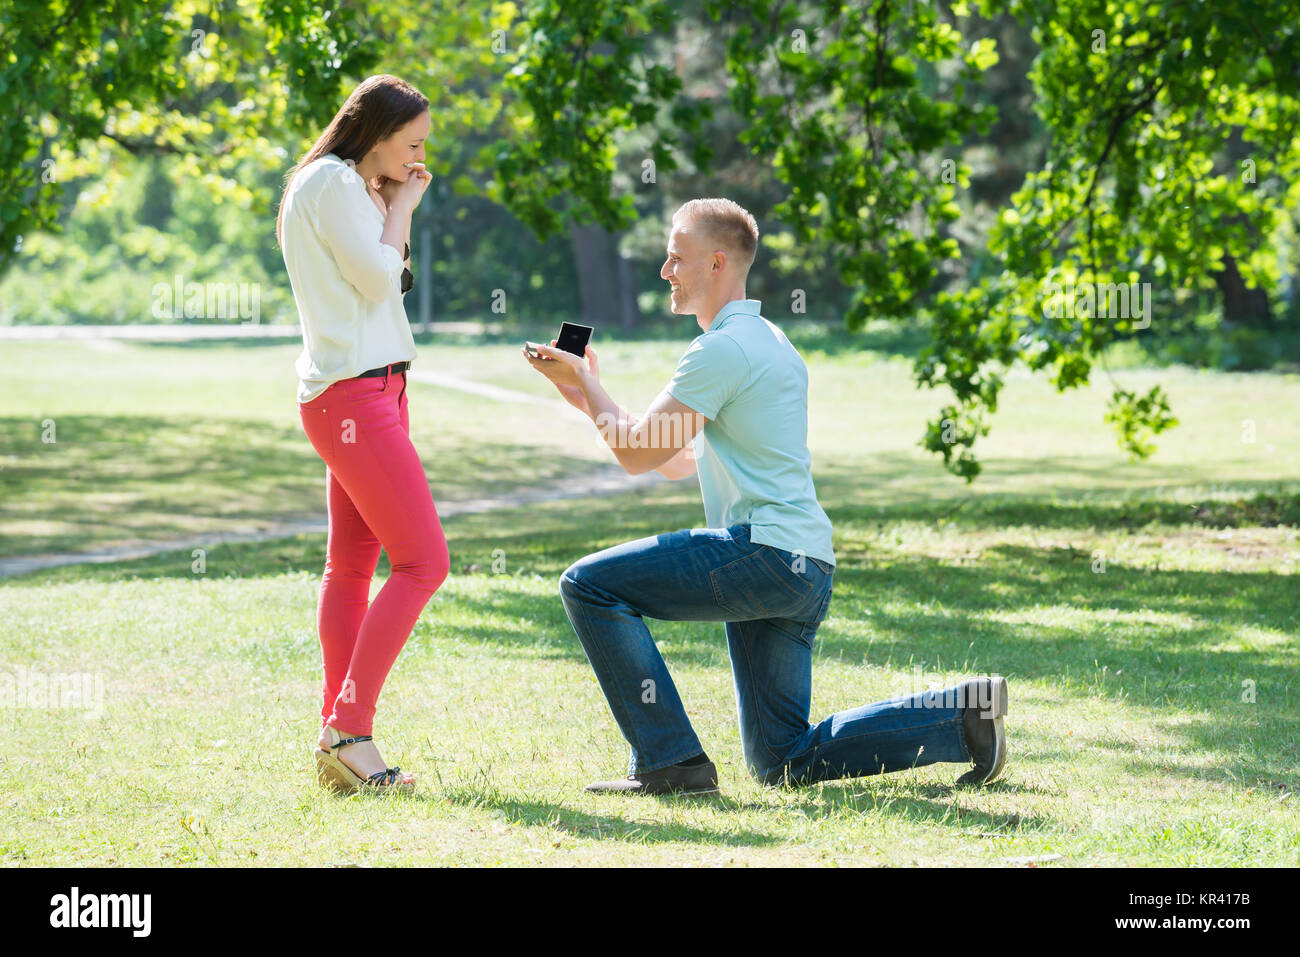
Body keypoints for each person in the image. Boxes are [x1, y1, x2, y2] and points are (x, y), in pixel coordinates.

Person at [525, 198, 1009, 795]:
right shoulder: (767, 340)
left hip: (763, 555)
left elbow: (637, 454)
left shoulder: (721, 350)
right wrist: (582, 395)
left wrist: (588, 382)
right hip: (801, 565)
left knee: (588, 585)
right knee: (782, 760)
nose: (665, 271)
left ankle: (670, 761)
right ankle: (961, 715)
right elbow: (675, 459)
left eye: (676, 258)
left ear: (716, 263)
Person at [277, 74, 447, 793]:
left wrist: (389, 208)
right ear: (374, 131)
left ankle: (339, 738)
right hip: (355, 396)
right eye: (411, 144)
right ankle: (349, 729)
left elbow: (379, 281)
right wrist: (402, 207)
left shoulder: (339, 187)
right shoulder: (333, 184)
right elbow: (383, 280)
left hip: (367, 390)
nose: (418, 159)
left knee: (351, 567)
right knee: (422, 561)